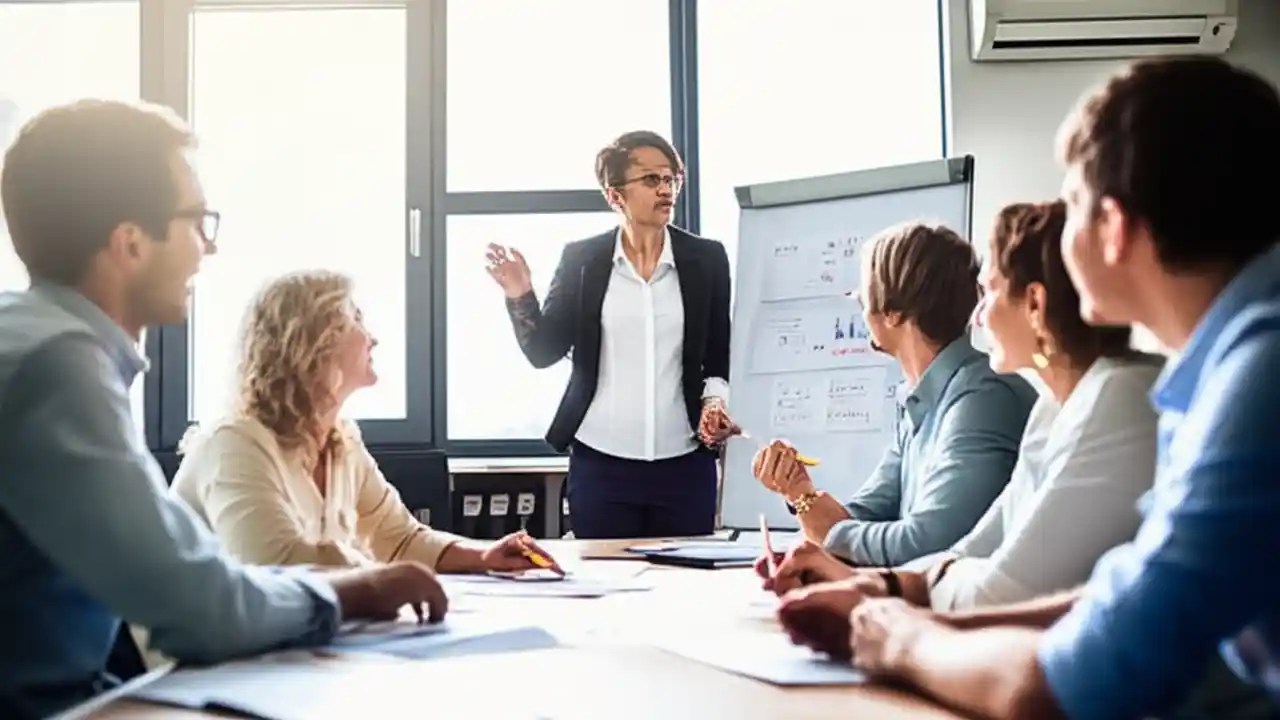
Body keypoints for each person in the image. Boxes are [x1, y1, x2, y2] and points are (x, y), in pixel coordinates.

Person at [778, 56, 1280, 720]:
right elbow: (1125, 598)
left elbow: (1065, 685)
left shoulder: (1257, 377)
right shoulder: (1233, 362)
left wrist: (897, 636)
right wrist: (889, 597)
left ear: (1114, 225)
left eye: (1070, 203)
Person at [0, 100, 445, 719]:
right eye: (196, 222)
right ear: (130, 242)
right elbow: (198, 609)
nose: (206, 250)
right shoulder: (56, 366)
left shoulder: (29, 340)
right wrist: (358, 591)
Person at [761, 200, 1161, 610]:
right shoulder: (1050, 410)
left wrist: (865, 575)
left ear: (1036, 305)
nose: (979, 315)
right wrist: (852, 571)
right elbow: (967, 553)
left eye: (988, 293)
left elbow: (987, 577)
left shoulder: (1004, 396)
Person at [172, 270, 563, 575]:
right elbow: (278, 571)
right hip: (198, 671)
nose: (372, 338)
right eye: (355, 319)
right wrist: (386, 579)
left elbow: (400, 540)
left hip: (280, 654)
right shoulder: (236, 444)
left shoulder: (341, 440)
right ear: (313, 341)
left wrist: (483, 555)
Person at [485, 130, 737, 539]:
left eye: (671, 178)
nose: (665, 189)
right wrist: (520, 295)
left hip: (686, 465)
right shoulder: (582, 259)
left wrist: (714, 403)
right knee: (605, 589)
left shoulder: (707, 259)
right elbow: (545, 351)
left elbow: (718, 354)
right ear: (615, 194)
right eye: (651, 179)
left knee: (686, 591)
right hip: (602, 465)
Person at [752, 222, 1037, 567]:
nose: (858, 300)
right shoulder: (920, 399)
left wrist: (830, 535)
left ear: (893, 311)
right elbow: (866, 515)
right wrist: (799, 491)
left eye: (864, 291)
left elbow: (930, 543)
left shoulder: (983, 397)